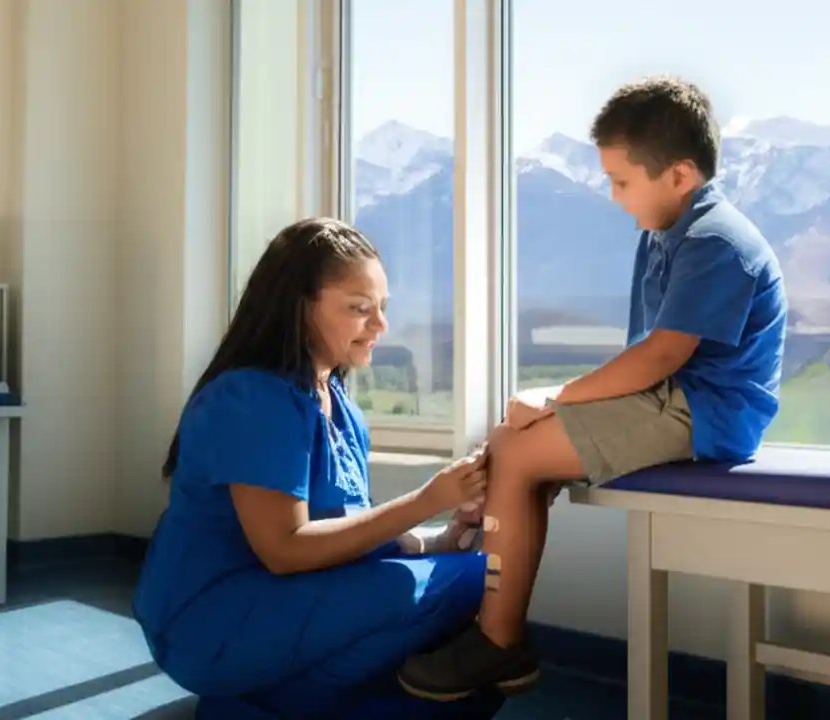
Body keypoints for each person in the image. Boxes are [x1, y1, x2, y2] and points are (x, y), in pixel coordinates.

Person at [398, 75, 788, 701]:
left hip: (710, 412)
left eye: (622, 181)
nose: (613, 197)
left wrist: (554, 401)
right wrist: (543, 411)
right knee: (509, 438)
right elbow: (644, 360)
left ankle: (499, 644)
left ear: (680, 176)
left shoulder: (716, 241)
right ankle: (479, 602)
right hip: (674, 398)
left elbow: (660, 356)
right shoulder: (668, 233)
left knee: (522, 452)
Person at [131, 217, 504, 719]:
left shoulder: (339, 405)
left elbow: (349, 530)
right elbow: (286, 549)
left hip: (283, 605)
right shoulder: (253, 398)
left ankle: (250, 706)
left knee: (471, 683)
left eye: (382, 309)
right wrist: (425, 502)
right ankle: (253, 701)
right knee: (477, 585)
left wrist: (440, 536)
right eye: (359, 308)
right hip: (210, 625)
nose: (380, 326)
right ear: (299, 307)